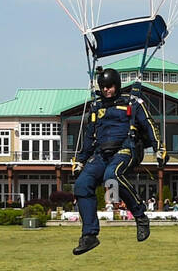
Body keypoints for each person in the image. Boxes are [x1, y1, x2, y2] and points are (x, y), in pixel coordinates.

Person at [71, 67, 167, 254]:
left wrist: (159, 149)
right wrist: (81, 160)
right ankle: (89, 236)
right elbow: (89, 138)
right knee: (82, 185)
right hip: (102, 153)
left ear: (117, 85)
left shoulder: (132, 102)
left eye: (110, 86)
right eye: (104, 87)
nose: (107, 90)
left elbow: (149, 125)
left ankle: (140, 216)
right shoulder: (96, 108)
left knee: (111, 176)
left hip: (127, 148)